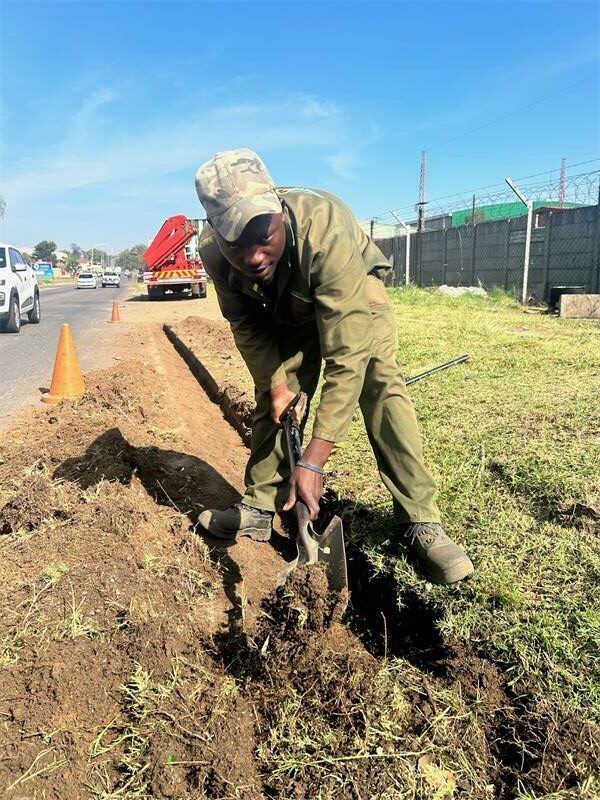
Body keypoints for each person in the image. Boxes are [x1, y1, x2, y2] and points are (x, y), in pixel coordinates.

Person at [194, 148, 473, 585]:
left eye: (261, 235)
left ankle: (421, 520)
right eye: (235, 243)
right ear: (214, 231)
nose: (251, 256)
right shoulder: (211, 253)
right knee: (274, 395)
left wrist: (314, 460)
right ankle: (258, 507)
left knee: (379, 382)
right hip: (286, 305)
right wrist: (276, 384)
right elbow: (245, 325)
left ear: (279, 214)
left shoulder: (323, 227)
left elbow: (348, 358)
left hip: (353, 292)